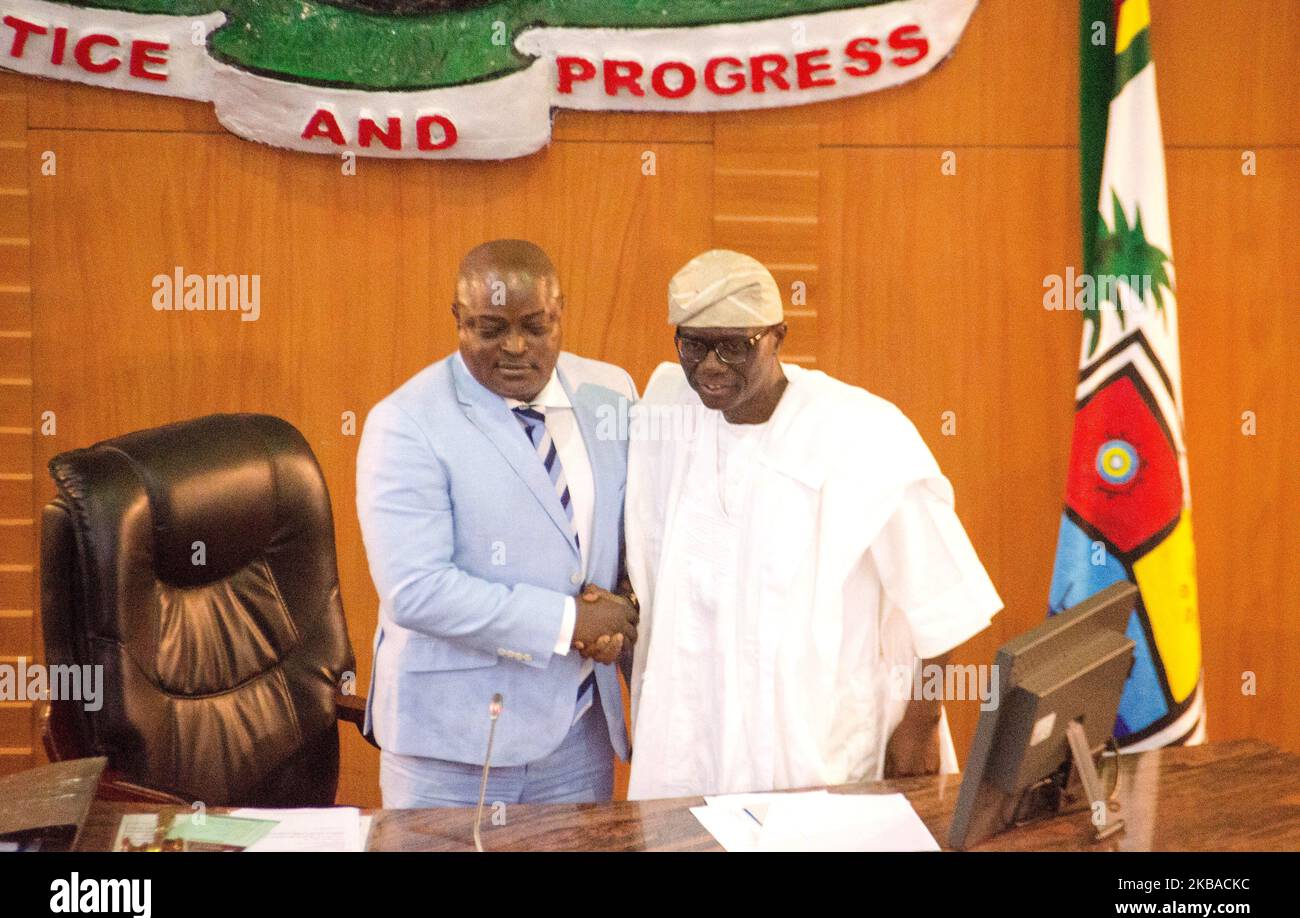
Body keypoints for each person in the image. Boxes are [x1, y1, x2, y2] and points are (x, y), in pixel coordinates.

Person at [625, 249, 1003, 800]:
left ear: (778, 336)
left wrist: (920, 725)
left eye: (733, 346)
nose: (710, 366)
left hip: (818, 741)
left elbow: (943, 599)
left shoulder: (862, 433)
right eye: (694, 345)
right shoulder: (669, 412)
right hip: (696, 739)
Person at [357, 239, 638, 808]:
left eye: (536, 326)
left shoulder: (611, 394)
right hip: (454, 751)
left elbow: (634, 536)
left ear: (561, 313)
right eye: (490, 329)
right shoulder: (406, 423)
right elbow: (417, 590)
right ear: (458, 320)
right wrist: (571, 621)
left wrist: (623, 607)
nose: (514, 347)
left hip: (580, 740)